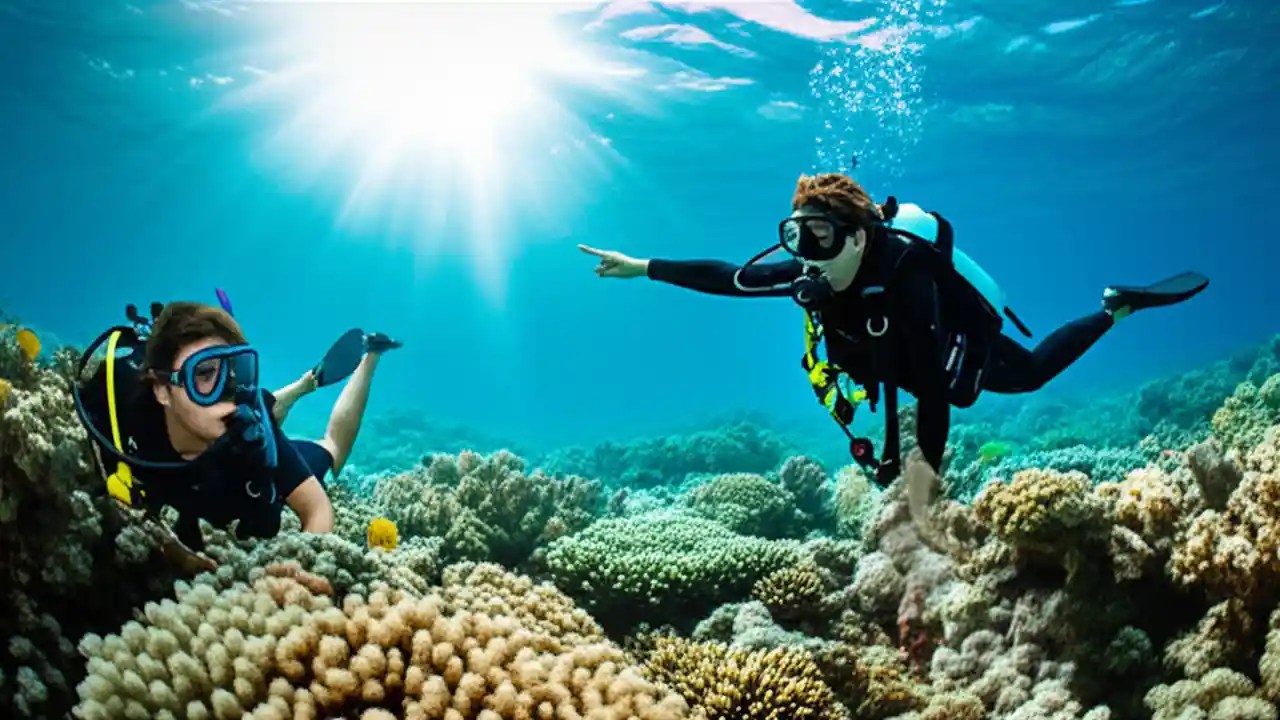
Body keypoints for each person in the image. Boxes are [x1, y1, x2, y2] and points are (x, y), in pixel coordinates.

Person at [578, 172, 1207, 486]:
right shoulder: (811, 268)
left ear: (856, 238)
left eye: (818, 237)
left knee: (1032, 374)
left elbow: (932, 394)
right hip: (885, 359)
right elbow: (725, 277)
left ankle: (1115, 307)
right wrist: (642, 268)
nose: (804, 253)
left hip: (942, 347)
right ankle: (1113, 308)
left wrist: (923, 485)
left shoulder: (903, 276)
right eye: (793, 236)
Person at [71, 301, 401, 571]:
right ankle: (294, 390)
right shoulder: (123, 414)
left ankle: (369, 356)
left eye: (235, 370)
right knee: (259, 409)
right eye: (203, 374)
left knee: (330, 451)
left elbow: (317, 509)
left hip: (242, 445)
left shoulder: (248, 426)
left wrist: (295, 578)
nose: (228, 392)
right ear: (161, 389)